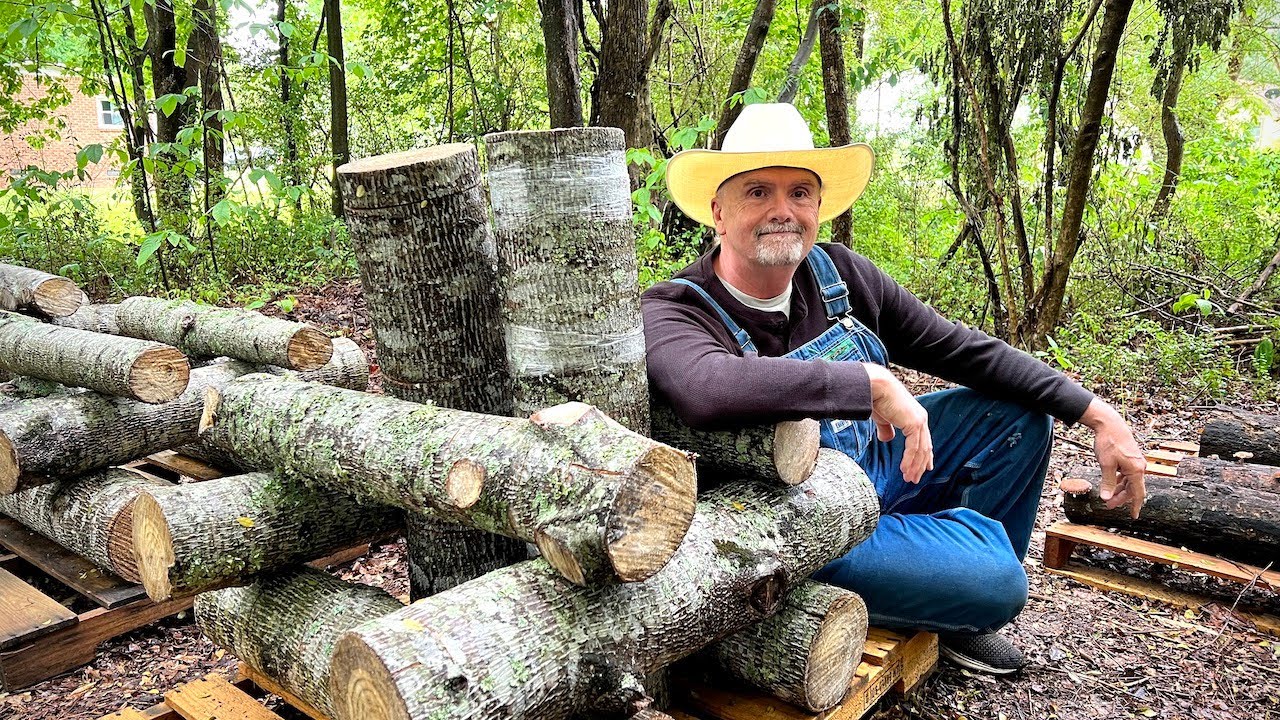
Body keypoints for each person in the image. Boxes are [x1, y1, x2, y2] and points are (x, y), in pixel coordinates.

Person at [641, 103, 1147, 675]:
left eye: (800, 193)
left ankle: (947, 599)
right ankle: (954, 579)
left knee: (1017, 417)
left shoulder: (839, 275)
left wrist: (1098, 413)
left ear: (818, 207)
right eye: (758, 192)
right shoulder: (675, 306)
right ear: (718, 210)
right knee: (1002, 581)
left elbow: (962, 349)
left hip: (873, 467)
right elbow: (706, 388)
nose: (783, 211)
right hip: (799, 524)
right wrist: (867, 381)